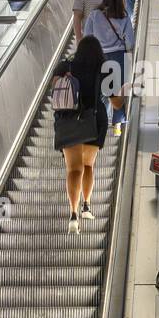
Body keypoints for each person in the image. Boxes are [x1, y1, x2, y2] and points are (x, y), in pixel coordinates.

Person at [54, 35, 108, 235]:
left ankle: (73, 215)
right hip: (94, 120)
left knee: (73, 170)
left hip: (68, 121)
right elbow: (113, 96)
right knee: (88, 166)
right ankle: (86, 206)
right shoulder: (103, 68)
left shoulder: (65, 65)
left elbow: (55, 90)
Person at [85, 0, 135, 136]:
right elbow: (130, 42)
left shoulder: (94, 15)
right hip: (118, 57)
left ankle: (99, 123)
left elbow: (87, 37)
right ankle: (117, 126)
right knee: (117, 92)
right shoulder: (124, 17)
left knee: (101, 92)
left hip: (99, 57)